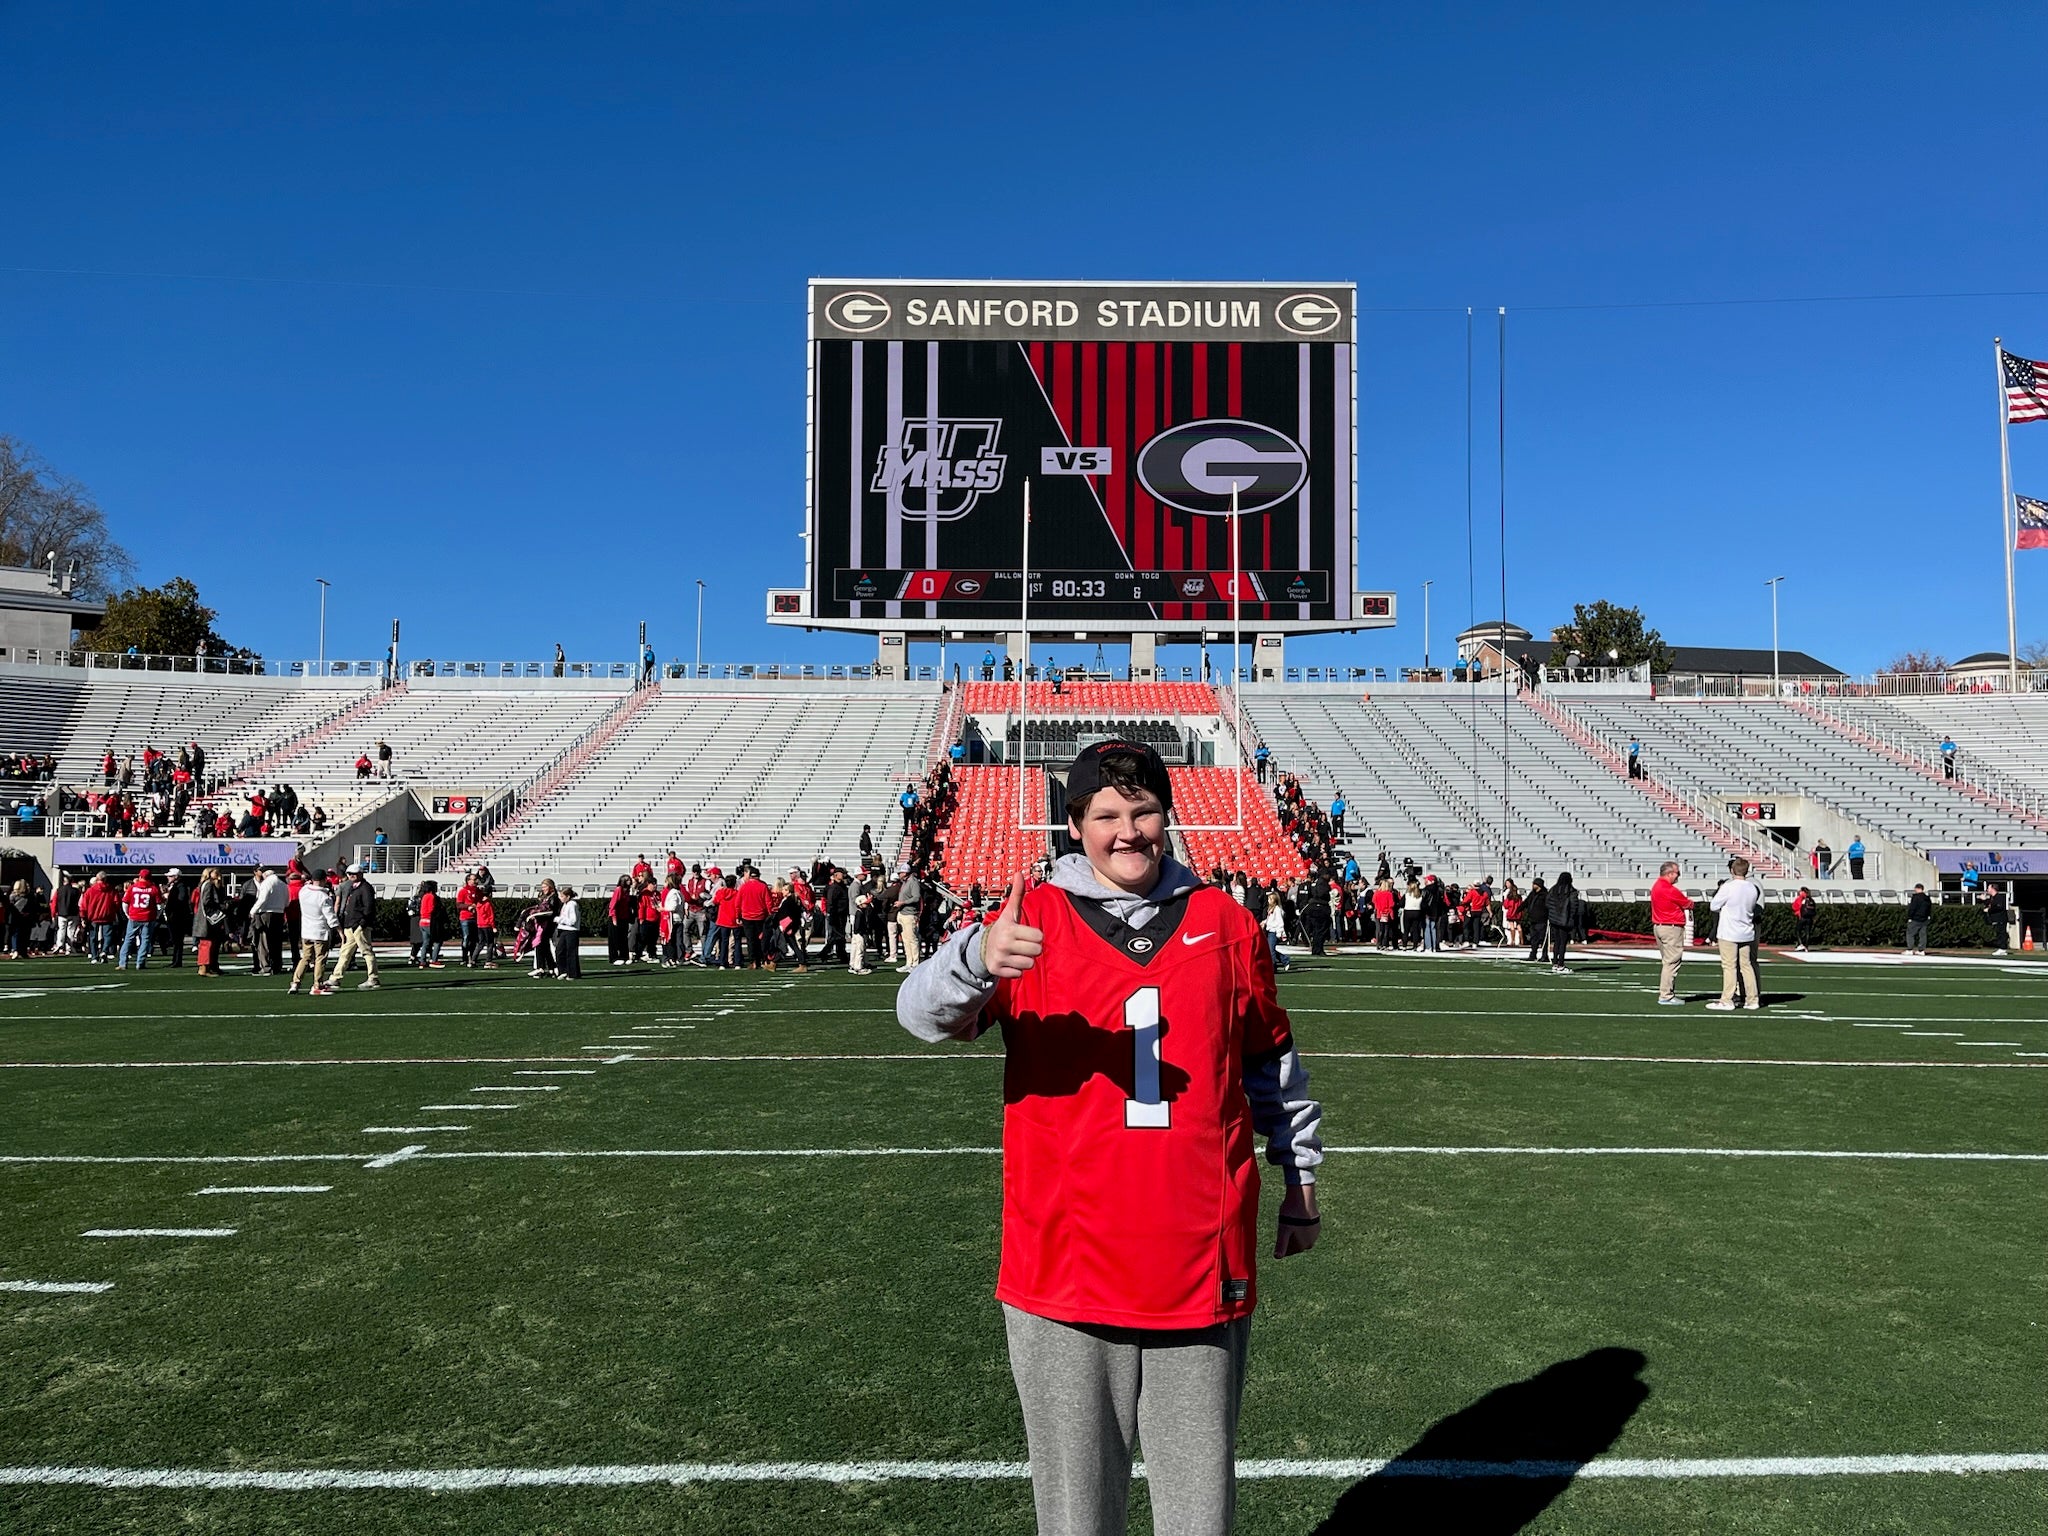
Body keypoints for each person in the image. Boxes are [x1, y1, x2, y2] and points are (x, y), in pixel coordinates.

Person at [896, 740, 1322, 1536]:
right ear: (1074, 825)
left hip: (1199, 1259)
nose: (1128, 832)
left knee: (1200, 1517)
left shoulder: (1226, 924)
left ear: (1168, 817)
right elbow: (918, 1016)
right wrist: (975, 961)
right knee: (1075, 1517)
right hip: (1063, 1260)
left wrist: (1300, 1185)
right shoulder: (1030, 919)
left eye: (1144, 812)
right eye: (1106, 816)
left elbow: (1273, 1068)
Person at [1707, 858, 1762, 1011]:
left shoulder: (1728, 887)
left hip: (1729, 932)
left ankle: (1727, 999)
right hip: (1746, 931)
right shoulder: (1752, 887)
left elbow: (1714, 905)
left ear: (1732, 870)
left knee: (1729, 966)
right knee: (1747, 966)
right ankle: (1753, 999)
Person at [331, 863, 382, 989]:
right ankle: (335, 978)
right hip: (351, 925)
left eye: (354, 874)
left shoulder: (365, 888)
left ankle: (373, 978)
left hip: (359, 926)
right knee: (345, 952)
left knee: (366, 952)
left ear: (360, 874)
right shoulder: (355, 887)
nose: (351, 876)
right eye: (349, 874)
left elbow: (369, 908)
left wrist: (362, 924)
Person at [290, 872, 338, 995]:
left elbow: (307, 886)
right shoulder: (324, 897)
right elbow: (331, 917)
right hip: (320, 931)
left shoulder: (304, 891)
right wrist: (340, 931)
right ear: (323, 880)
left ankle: (295, 982)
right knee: (320, 958)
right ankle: (317, 985)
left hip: (306, 931)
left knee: (305, 958)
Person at [1649, 861, 1689, 1005]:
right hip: (1671, 927)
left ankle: (1666, 993)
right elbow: (1687, 903)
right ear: (1669, 873)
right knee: (1671, 962)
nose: (1678, 876)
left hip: (1659, 926)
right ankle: (1666, 995)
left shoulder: (1656, 886)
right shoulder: (1669, 889)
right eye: (1677, 873)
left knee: (1667, 961)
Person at [116, 870, 160, 970]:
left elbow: (125, 903)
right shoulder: (153, 888)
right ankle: (140, 962)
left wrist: (128, 914)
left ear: (140, 877)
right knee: (145, 940)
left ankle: (123, 963)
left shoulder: (133, 887)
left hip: (134, 916)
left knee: (128, 939)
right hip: (148, 918)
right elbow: (159, 905)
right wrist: (156, 915)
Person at [250, 867, 287, 975]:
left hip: (266, 913)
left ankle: (266, 966)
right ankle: (277, 965)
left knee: (264, 941)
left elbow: (262, 899)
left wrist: (253, 911)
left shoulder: (266, 883)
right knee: (277, 941)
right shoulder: (283, 884)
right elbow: (287, 902)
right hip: (279, 913)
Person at [1546, 872, 1580, 974]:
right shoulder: (1571, 891)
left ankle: (1555, 963)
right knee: (1562, 942)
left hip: (1554, 919)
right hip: (1564, 920)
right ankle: (1561, 964)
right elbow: (1574, 906)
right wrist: (1571, 917)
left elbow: (1548, 903)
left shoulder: (1553, 889)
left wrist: (1553, 914)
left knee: (1556, 942)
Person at [893, 863, 923, 971]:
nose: (899, 874)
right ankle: (909, 962)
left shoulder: (913, 882)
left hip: (910, 914)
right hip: (903, 913)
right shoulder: (905, 882)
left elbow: (916, 897)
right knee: (906, 939)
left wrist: (903, 902)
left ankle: (915, 963)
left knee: (912, 939)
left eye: (900, 872)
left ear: (905, 872)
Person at [554, 887, 583, 978]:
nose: (560, 898)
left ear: (568, 896)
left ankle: (573, 973)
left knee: (571, 953)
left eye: (562, 896)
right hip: (564, 930)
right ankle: (563, 970)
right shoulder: (565, 904)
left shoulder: (572, 904)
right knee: (559, 951)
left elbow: (572, 921)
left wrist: (559, 919)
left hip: (571, 931)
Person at [1904, 883, 1932, 956]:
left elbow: (1913, 908)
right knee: (1922, 935)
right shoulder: (1927, 898)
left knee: (1910, 934)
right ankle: (1921, 950)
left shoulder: (1916, 897)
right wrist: (1928, 916)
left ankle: (1910, 949)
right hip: (1924, 919)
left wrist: (1909, 917)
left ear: (1917, 888)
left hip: (1915, 918)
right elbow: (1929, 909)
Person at [1984, 883, 2010, 957]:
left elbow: (1999, 907)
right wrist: (1985, 901)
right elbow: (1989, 905)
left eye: (1988, 888)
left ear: (1993, 889)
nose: (1987, 890)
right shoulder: (1993, 898)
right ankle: (2002, 948)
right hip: (1996, 919)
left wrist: (1989, 910)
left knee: (2001, 933)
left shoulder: (1999, 897)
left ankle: (2002, 948)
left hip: (2001, 918)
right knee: (1999, 933)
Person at [1791, 886, 1817, 952]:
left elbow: (1795, 907)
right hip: (1809, 918)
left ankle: (1800, 944)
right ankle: (1806, 947)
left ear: (1803, 892)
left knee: (1797, 931)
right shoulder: (1811, 899)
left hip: (1802, 917)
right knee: (1807, 932)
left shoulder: (1801, 898)